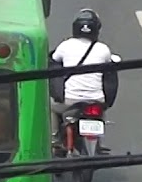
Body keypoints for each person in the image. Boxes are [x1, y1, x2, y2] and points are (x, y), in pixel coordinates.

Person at [49, 8, 115, 137]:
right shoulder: (103, 49)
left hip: (69, 101)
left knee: (51, 105)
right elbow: (110, 66)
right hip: (96, 101)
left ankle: (54, 136)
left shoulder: (66, 45)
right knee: (101, 112)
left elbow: (53, 59)